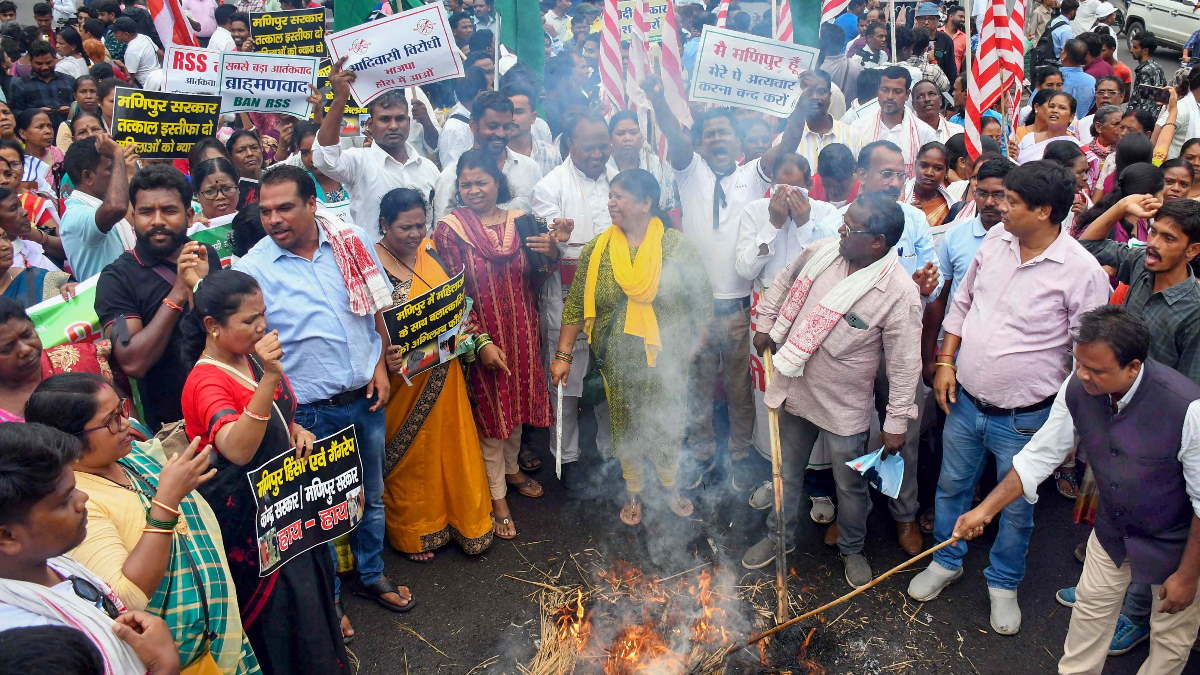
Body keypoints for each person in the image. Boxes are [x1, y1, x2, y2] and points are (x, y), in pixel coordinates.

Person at [910, 160, 1110, 634]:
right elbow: (962, 303)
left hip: (1026, 419)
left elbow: (1087, 356)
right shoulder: (995, 243)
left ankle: (1003, 582)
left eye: (1011, 202)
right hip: (964, 402)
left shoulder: (1081, 272)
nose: (998, 207)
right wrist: (945, 362)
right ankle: (946, 559)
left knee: (1017, 508)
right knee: (951, 487)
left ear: (1043, 211)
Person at [955, 307, 1200, 674]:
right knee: (1089, 615)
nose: (1082, 375)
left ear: (1133, 367)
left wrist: (1188, 575)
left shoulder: (1188, 409)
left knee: (1170, 638)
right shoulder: (1078, 387)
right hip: (1113, 530)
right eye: (1078, 362)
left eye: (1096, 370)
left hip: (1177, 541)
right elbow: (1038, 456)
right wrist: (985, 510)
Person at [231, 166, 412, 639]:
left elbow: (376, 307)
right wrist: (285, 419)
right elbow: (250, 349)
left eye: (284, 207)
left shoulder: (348, 240)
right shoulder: (252, 269)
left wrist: (378, 366)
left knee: (370, 497)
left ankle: (372, 576)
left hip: (365, 398)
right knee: (320, 514)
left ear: (312, 204)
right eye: (265, 210)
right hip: (307, 413)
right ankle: (331, 602)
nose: (273, 219)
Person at [740, 191, 922, 588]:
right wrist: (766, 325)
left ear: (877, 241)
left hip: (845, 407)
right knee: (784, 473)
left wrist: (896, 421)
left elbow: (905, 364)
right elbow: (782, 283)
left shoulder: (899, 292)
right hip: (795, 386)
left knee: (850, 486)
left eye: (850, 226)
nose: (840, 229)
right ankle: (778, 538)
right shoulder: (821, 252)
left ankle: (852, 549)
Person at [24, 373, 260, 673]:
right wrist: (166, 503)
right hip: (173, 663)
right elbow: (122, 598)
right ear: (69, 439)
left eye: (122, 410)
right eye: (111, 420)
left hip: (222, 643)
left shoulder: (133, 457)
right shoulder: (78, 500)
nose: (125, 423)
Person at [642, 73, 808, 491]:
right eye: (710, 134)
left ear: (737, 142)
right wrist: (658, 98)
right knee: (696, 386)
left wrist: (801, 108)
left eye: (724, 133)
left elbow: (786, 146)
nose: (717, 139)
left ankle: (737, 455)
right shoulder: (689, 170)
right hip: (694, 307)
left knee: (738, 388)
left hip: (739, 308)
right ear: (700, 143)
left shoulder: (756, 173)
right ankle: (699, 453)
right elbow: (674, 139)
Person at [176, 269, 348, 672]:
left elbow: (278, 414)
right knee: (280, 616)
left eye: (263, 315)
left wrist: (298, 430)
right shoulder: (205, 382)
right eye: (249, 321)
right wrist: (270, 376)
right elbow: (237, 448)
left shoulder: (251, 357)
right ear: (212, 326)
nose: (262, 326)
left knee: (310, 599)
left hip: (288, 509)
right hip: (251, 529)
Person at [550, 168, 710, 524]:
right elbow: (576, 304)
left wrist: (693, 344)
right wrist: (562, 355)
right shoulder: (598, 249)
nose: (611, 202)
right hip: (617, 360)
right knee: (625, 426)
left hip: (668, 359)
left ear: (646, 203)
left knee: (668, 422)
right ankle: (634, 489)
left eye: (619, 196)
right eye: (610, 195)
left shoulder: (675, 246)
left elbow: (701, 297)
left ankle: (670, 486)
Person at [432, 150, 559, 538]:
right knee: (491, 417)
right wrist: (480, 342)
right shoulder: (450, 229)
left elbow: (541, 273)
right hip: (480, 335)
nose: (473, 190)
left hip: (522, 327)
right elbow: (450, 295)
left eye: (481, 182)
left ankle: (512, 469)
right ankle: (497, 497)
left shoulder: (521, 222)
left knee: (517, 405)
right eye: (465, 184)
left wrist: (553, 253)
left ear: (497, 182)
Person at [0, 422, 181, 675]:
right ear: (7, 536)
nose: (83, 498)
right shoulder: (24, 644)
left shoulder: (54, 565)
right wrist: (163, 667)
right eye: (65, 500)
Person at [373, 188, 493, 560]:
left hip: (445, 371)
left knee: (452, 445)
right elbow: (362, 325)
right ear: (383, 225)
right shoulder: (371, 267)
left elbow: (456, 305)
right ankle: (416, 531)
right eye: (405, 228)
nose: (414, 234)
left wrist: (467, 333)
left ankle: (461, 520)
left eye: (420, 225)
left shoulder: (430, 253)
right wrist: (382, 359)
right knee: (412, 457)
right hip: (400, 380)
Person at [96, 165, 217, 431]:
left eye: (169, 211)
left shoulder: (205, 255)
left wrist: (202, 289)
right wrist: (178, 291)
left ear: (188, 214)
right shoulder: (116, 279)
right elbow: (131, 359)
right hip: (174, 426)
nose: (157, 221)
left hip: (229, 408)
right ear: (133, 215)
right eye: (147, 212)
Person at [530, 114, 616, 488]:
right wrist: (558, 237)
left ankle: (612, 457)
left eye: (603, 144)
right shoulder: (551, 187)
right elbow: (549, 241)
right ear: (570, 146)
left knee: (611, 382)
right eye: (589, 146)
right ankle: (566, 462)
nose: (598, 153)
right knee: (564, 382)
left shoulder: (618, 179)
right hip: (567, 300)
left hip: (615, 303)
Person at [314, 59, 439, 238]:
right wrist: (340, 98)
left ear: (409, 123)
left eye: (400, 119)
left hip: (422, 263)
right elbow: (325, 158)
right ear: (370, 125)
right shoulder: (358, 162)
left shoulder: (429, 169)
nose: (394, 126)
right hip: (374, 262)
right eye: (385, 119)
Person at [735, 153, 840, 291]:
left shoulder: (827, 212)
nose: (788, 197)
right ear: (772, 184)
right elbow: (745, 271)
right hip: (765, 301)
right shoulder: (754, 211)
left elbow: (827, 267)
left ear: (809, 186)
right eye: (781, 190)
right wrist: (772, 225)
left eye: (796, 191)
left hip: (808, 302)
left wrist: (804, 224)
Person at [431, 92, 542, 221]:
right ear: (473, 126)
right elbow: (442, 231)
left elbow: (539, 220)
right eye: (492, 127)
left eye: (506, 127)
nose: (500, 134)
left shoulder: (530, 168)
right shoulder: (450, 176)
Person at [59, 136, 134, 281]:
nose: (119, 173)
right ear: (88, 176)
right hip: (106, 301)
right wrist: (117, 153)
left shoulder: (99, 205)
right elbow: (117, 207)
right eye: (111, 169)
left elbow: (128, 215)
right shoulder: (75, 214)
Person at [851, 66, 938, 178]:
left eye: (897, 91)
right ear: (878, 91)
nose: (890, 96)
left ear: (907, 95)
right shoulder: (859, 128)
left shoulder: (925, 134)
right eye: (885, 90)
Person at [606, 111, 676, 211]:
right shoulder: (603, 167)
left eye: (633, 133)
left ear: (643, 135)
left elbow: (668, 206)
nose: (627, 138)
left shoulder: (658, 165)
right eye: (620, 134)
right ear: (610, 138)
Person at [794, 70, 855, 174]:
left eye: (821, 91)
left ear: (830, 95)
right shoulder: (788, 141)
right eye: (809, 92)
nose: (815, 97)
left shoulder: (853, 136)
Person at [8, 42, 73, 130]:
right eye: (39, 64)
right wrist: (35, 113)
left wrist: (71, 110)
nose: (44, 67)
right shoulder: (19, 84)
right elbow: (14, 112)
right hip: (35, 135)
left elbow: (79, 106)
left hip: (67, 132)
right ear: (31, 62)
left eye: (49, 63)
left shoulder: (68, 81)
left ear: (55, 59)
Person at [504, 85, 559, 179]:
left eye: (518, 112)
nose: (512, 118)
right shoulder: (496, 155)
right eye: (507, 112)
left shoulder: (551, 155)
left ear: (533, 117)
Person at [1017, 92, 1081, 164]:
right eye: (1051, 106)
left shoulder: (1074, 146)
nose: (1054, 110)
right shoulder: (1028, 138)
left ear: (1071, 117)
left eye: (1062, 108)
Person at [903, 142, 953, 228]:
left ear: (946, 171)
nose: (929, 173)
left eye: (938, 168)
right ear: (915, 165)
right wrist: (905, 216)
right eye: (924, 166)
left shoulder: (951, 206)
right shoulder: (899, 197)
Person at [1128, 32, 1167, 117]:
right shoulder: (1158, 67)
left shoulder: (1145, 71)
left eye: (1135, 47)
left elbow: (1144, 103)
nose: (1131, 50)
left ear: (1145, 50)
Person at [912, 80, 962, 144]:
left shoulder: (957, 131)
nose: (927, 99)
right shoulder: (906, 135)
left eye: (931, 94)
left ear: (940, 100)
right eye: (921, 96)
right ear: (913, 104)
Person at [191, 158, 239, 225]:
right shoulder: (189, 229)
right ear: (197, 196)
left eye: (227, 188)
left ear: (238, 189)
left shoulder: (251, 222)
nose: (220, 196)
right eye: (210, 191)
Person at [1059, 39, 1096, 120]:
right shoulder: (1091, 80)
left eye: (1063, 50)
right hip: (1078, 125)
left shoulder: (1054, 77)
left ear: (1064, 55)